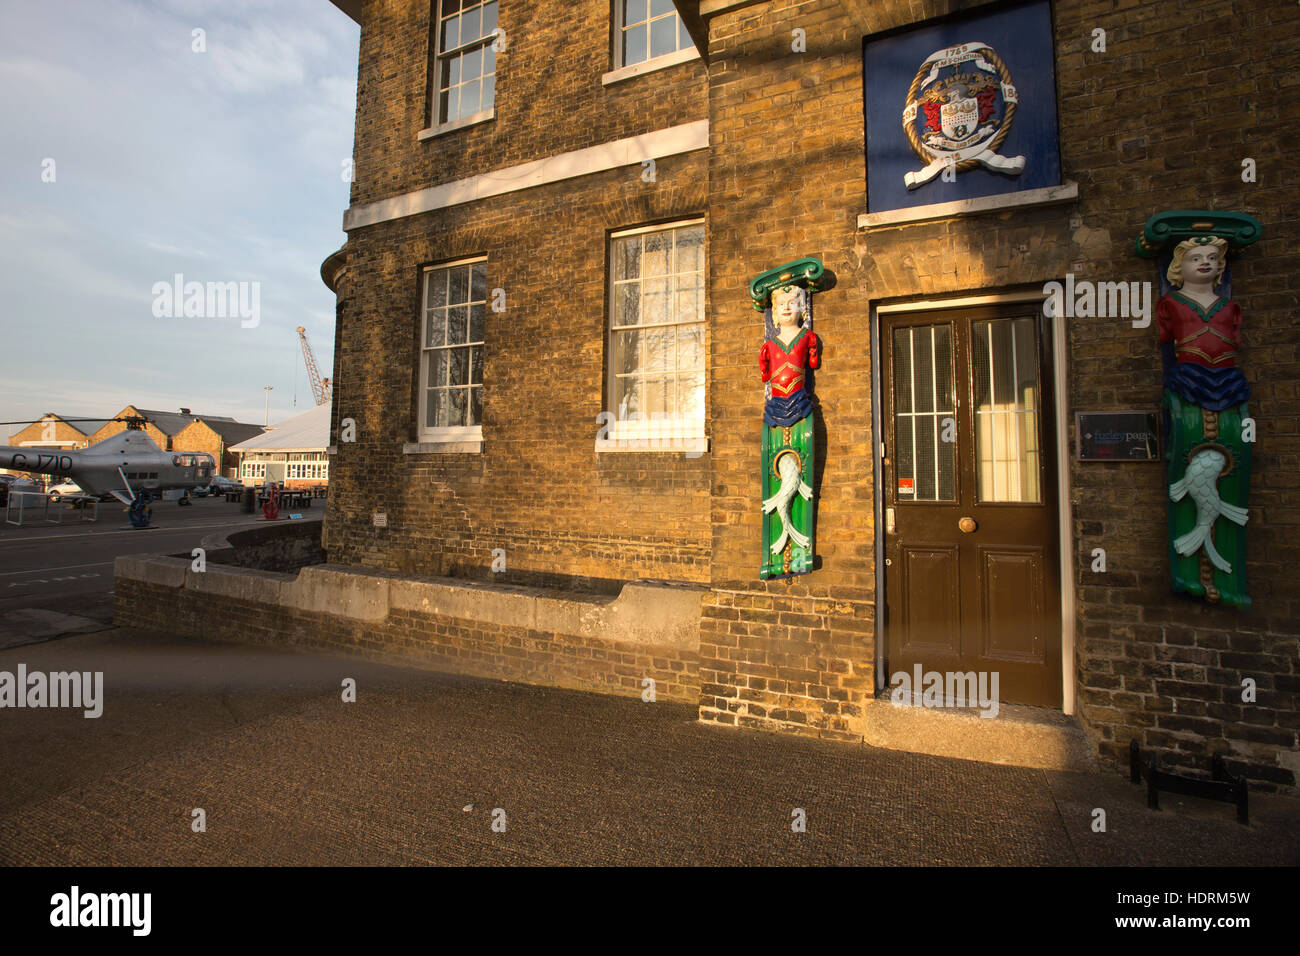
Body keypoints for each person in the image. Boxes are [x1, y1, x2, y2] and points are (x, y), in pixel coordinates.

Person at [1155, 235, 1251, 607]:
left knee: (1231, 453)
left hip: (1226, 381)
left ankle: (1220, 574)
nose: (1206, 263)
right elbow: (1167, 337)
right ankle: (1194, 568)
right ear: (1181, 267)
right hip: (1189, 378)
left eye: (1213, 258)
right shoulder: (1172, 303)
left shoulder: (1228, 305)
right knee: (1188, 442)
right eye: (1197, 258)